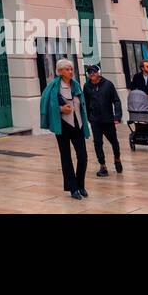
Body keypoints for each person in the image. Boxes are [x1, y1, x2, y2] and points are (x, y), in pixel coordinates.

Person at [40, 58, 90, 199]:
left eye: (71, 69)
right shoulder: (53, 86)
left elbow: (82, 105)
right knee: (66, 157)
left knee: (83, 156)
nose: (70, 71)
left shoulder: (76, 85)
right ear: (60, 71)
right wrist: (61, 108)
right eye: (67, 69)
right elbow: (47, 104)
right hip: (62, 126)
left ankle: (81, 185)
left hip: (78, 125)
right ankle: (73, 188)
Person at [83, 64, 122, 176]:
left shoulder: (108, 84)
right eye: (89, 72)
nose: (92, 74)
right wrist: (89, 117)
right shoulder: (87, 86)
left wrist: (117, 116)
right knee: (97, 143)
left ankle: (117, 158)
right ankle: (102, 166)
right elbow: (85, 102)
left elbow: (116, 101)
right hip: (95, 120)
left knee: (114, 141)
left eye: (94, 72)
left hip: (108, 119)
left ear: (98, 73)